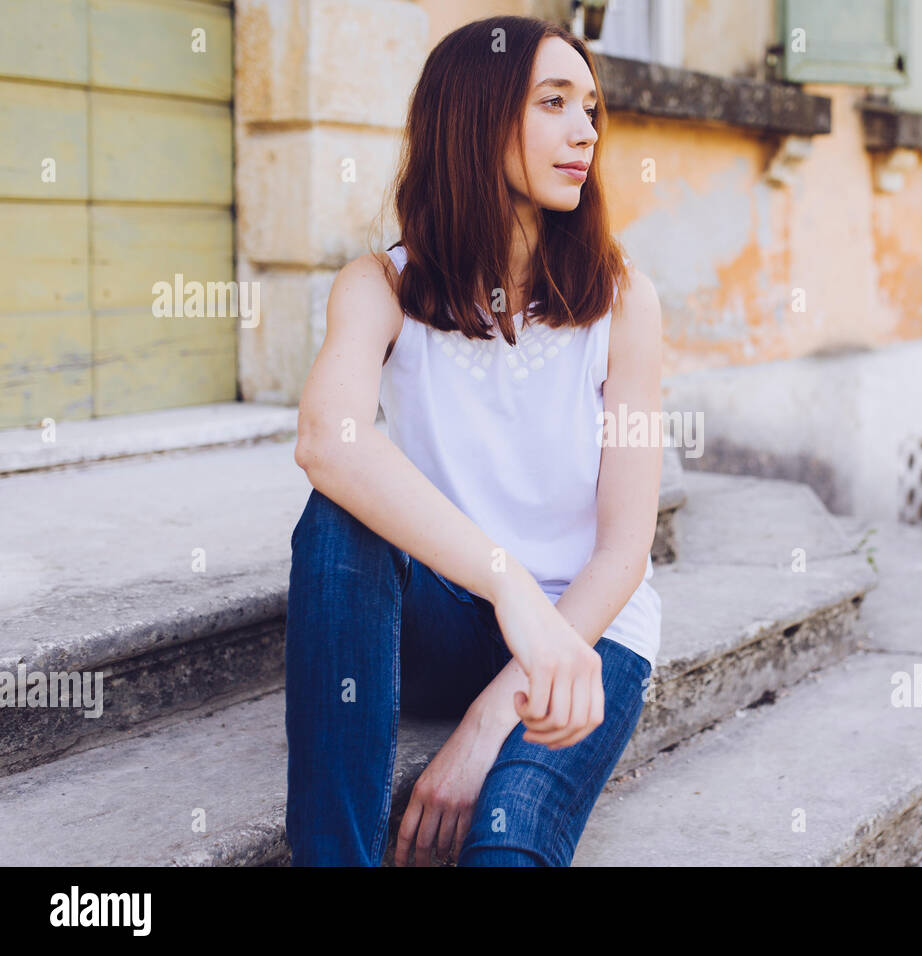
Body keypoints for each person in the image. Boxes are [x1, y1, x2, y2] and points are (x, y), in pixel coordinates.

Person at [284, 14, 664, 867]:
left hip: (586, 632)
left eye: (591, 109)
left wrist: (489, 724)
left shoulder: (625, 300)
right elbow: (328, 441)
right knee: (338, 519)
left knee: (504, 851)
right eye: (555, 104)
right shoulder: (382, 285)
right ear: (478, 118)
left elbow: (625, 549)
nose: (586, 132)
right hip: (457, 614)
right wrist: (507, 589)